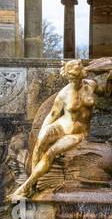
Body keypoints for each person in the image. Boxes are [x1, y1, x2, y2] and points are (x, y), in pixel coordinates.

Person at [9, 60, 97, 201]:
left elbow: (107, 80)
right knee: (40, 142)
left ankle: (26, 186)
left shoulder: (91, 85)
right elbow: (52, 115)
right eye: (73, 76)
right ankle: (32, 180)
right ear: (71, 76)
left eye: (80, 69)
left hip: (78, 133)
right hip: (62, 125)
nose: (82, 71)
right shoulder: (64, 93)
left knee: (51, 153)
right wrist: (41, 132)